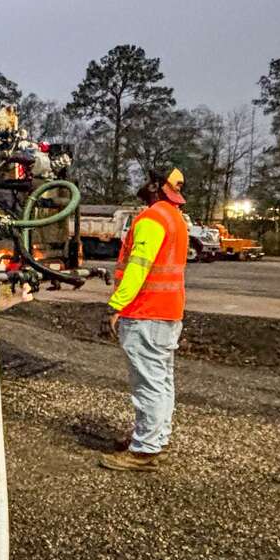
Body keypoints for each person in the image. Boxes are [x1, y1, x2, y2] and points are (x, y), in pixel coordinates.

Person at [98, 167, 188, 472]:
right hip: (167, 312)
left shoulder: (152, 219)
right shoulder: (174, 218)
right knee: (161, 382)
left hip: (145, 313)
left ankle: (144, 450)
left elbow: (138, 267)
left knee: (148, 384)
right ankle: (155, 440)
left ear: (157, 186)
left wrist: (116, 306)